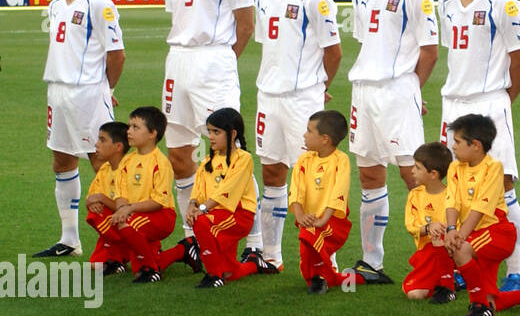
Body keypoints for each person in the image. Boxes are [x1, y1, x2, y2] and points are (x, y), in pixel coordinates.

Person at [158, 0, 255, 274]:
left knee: (230, 154)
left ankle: (255, 245)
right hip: (177, 61)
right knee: (180, 152)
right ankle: (194, 237)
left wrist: (225, 61)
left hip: (214, 59)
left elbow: (245, 24)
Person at [347, 0, 439, 284]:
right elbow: (365, 45)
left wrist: (412, 90)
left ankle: (432, 260)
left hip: (397, 90)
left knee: (414, 176)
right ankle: (373, 261)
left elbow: (430, 51)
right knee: (369, 174)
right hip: (363, 92)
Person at [438, 0, 520, 288]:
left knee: (503, 188)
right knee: (459, 188)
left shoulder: (503, 4)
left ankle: (515, 272)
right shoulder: (446, 2)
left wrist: (503, 101)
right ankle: (466, 265)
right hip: (454, 104)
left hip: (490, 102)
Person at [247, 0, 341, 270]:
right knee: (272, 172)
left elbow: (334, 52)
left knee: (314, 176)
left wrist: (319, 88)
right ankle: (271, 254)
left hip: (303, 101)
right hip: (268, 98)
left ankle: (325, 258)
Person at [35, 0, 125, 259]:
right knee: (61, 161)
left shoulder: (99, 4)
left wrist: (105, 89)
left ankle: (122, 242)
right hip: (57, 93)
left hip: (88, 94)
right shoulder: (57, 4)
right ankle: (70, 239)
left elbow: (116, 55)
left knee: (102, 165)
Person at [185, 108, 273, 287]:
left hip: (238, 215)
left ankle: (213, 275)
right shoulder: (207, 161)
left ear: (233, 134)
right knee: (231, 272)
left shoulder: (243, 159)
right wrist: (192, 206)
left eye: (216, 132)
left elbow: (227, 190)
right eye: (209, 131)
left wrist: (202, 210)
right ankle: (253, 264)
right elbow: (198, 191)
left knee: (202, 223)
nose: (211, 136)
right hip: (216, 214)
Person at [443, 113, 517, 316]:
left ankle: (478, 306)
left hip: (496, 233)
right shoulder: (455, 167)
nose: (453, 147)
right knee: (493, 300)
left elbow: (480, 207)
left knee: (460, 250)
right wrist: (451, 229)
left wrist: (460, 236)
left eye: (457, 142)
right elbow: (452, 201)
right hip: (475, 233)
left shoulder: (493, 168)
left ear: (475, 145)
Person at [104, 107, 176, 284]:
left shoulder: (161, 163)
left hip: (161, 216)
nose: (129, 131)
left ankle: (151, 270)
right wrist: (122, 209)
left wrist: (128, 210)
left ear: (152, 133)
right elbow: (120, 194)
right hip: (135, 213)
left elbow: (159, 202)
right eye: (129, 126)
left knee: (128, 226)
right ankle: (182, 251)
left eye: (136, 127)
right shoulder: (127, 161)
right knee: (109, 220)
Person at [290, 110, 352, 293]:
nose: (304, 135)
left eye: (309, 131)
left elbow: (338, 193)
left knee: (310, 237)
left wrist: (323, 220)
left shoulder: (341, 160)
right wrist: (300, 215)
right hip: (309, 221)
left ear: (325, 139)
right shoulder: (304, 159)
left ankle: (321, 278)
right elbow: (296, 190)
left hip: (333, 221)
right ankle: (331, 277)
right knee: (306, 263)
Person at [402, 140, 455, 302]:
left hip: (449, 251)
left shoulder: (451, 195)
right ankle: (450, 279)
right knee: (413, 293)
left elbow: (456, 226)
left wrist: (440, 229)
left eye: (417, 168)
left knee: (414, 293)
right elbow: (411, 226)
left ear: (433, 174)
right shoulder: (415, 195)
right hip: (425, 253)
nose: (412, 171)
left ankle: (448, 287)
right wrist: (428, 227)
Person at [83, 121, 129, 273]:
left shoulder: (129, 170)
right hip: (115, 222)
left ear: (118, 147)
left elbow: (129, 207)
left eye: (102, 140)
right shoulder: (105, 169)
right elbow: (91, 198)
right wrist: (91, 202)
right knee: (95, 212)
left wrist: (101, 199)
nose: (96, 144)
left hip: (130, 221)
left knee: (98, 215)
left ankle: (121, 254)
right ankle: (120, 252)